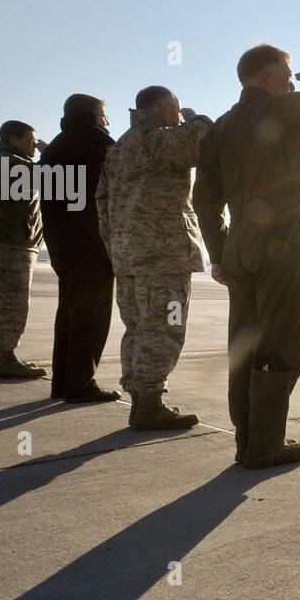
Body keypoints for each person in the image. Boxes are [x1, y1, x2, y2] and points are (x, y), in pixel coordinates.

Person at [194, 45, 300, 468]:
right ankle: (265, 445)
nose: (290, 80)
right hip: (284, 242)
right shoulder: (284, 111)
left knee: (243, 346)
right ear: (265, 77)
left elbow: (204, 200)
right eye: (285, 74)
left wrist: (220, 252)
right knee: (279, 343)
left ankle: (247, 441)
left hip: (240, 246)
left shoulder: (220, 128)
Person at [97, 86, 212, 430]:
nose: (178, 114)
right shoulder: (156, 139)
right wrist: (195, 117)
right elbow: (206, 142)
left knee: (138, 328)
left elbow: (101, 203)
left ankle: (140, 399)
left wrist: (117, 246)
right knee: (164, 328)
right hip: (162, 256)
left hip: (127, 256)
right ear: (162, 107)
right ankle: (149, 403)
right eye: (175, 108)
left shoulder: (118, 148)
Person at [39, 93, 120, 403]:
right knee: (91, 316)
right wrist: (107, 247)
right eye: (104, 115)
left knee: (70, 314)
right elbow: (96, 203)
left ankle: (63, 381)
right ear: (92, 116)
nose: (107, 121)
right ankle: (80, 383)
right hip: (90, 245)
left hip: (62, 244)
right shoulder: (93, 146)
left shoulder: (55, 149)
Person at [0, 120, 47, 379]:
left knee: (2, 300)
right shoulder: (12, 164)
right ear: (14, 140)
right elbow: (57, 181)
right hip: (11, 243)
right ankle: (5, 358)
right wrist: (51, 154)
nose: (35, 147)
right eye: (30, 141)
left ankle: (2, 354)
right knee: (13, 303)